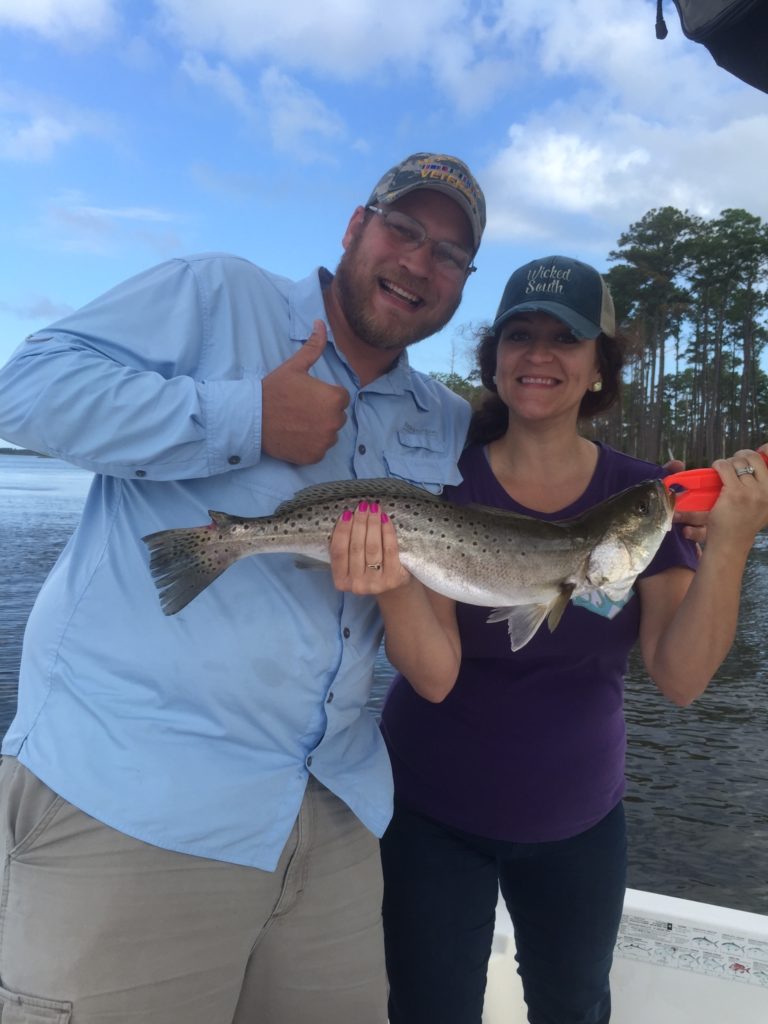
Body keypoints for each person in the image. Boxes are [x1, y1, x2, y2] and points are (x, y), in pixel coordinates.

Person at [0, 152, 487, 1024]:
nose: (420, 262)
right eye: (404, 230)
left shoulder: (441, 419)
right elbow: (23, 393)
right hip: (134, 804)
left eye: (450, 254)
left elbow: (515, 507)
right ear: (354, 226)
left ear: (462, 284)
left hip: (334, 815)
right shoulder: (220, 295)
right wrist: (246, 416)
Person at [329, 255, 768, 1024]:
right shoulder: (436, 485)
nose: (539, 356)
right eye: (519, 335)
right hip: (428, 813)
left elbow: (682, 678)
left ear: (600, 367)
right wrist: (396, 578)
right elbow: (434, 676)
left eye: (565, 338)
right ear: (493, 359)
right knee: (428, 1011)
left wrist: (729, 545)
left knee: (574, 1009)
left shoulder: (641, 500)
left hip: (580, 821)